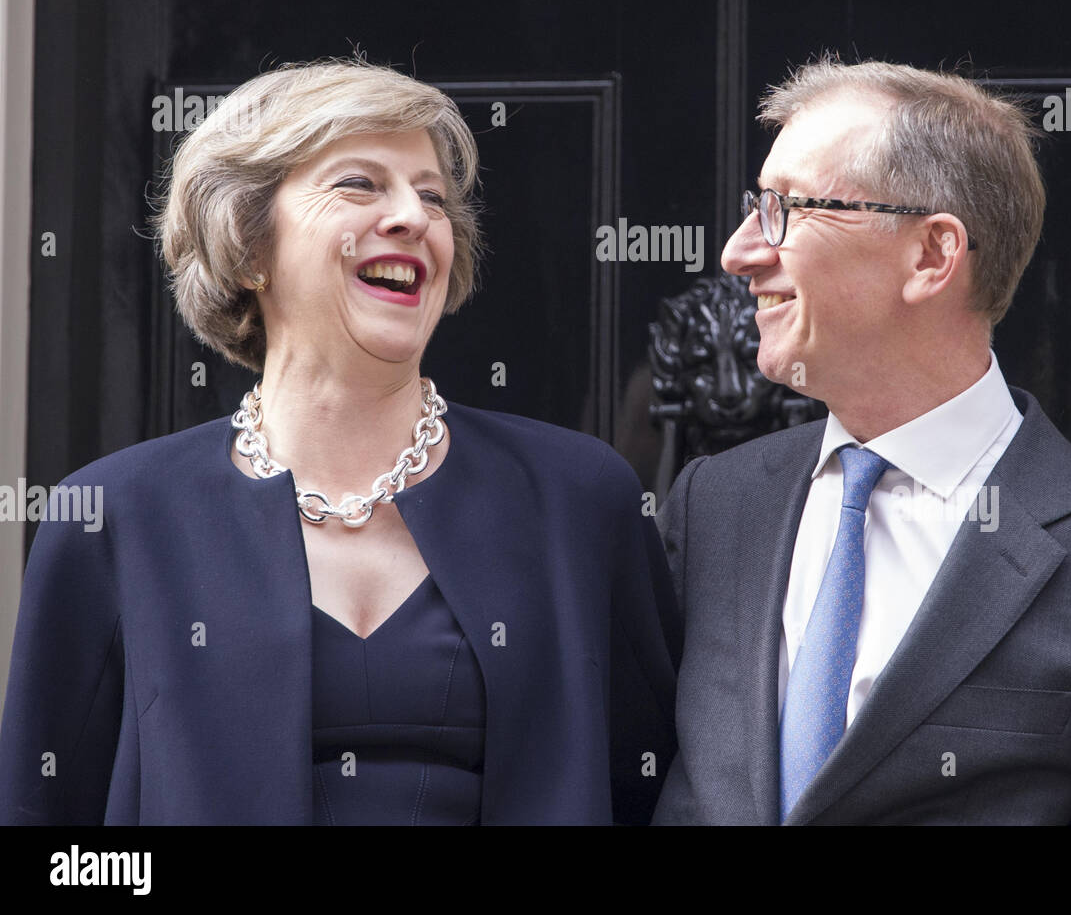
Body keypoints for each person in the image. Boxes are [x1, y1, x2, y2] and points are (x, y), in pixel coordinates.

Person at [0, 57, 678, 826]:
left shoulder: (579, 497)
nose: (414, 217)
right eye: (360, 184)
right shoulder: (114, 517)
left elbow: (660, 795)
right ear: (249, 246)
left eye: (432, 196)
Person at [652, 57, 1071, 826]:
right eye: (755, 206)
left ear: (932, 255)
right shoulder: (713, 507)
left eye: (787, 209)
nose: (738, 252)